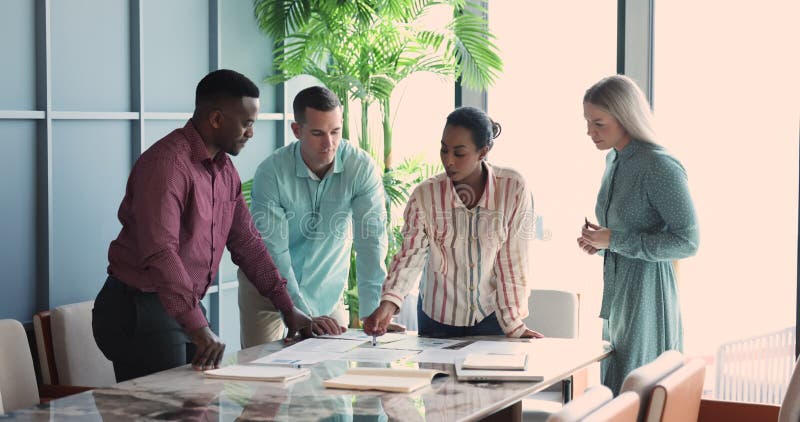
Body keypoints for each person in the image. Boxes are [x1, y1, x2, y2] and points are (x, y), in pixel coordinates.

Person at [92, 69, 313, 382]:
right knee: (168, 409)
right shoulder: (167, 166)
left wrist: (286, 307)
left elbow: (248, 244)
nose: (251, 133)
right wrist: (198, 326)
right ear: (216, 119)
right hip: (139, 306)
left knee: (199, 403)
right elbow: (160, 253)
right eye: (247, 123)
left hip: (178, 305)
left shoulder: (226, 171)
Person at [363, 106, 543, 339]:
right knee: (437, 377)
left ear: (482, 152)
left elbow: (512, 260)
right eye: (443, 150)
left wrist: (514, 326)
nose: (448, 160)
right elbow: (410, 257)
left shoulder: (512, 188)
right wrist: (387, 305)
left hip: (492, 317)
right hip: (437, 320)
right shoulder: (425, 195)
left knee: (493, 376)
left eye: (459, 153)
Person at [238, 85, 391, 348]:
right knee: (265, 374)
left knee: (330, 377)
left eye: (336, 132)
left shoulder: (361, 168)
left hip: (326, 294)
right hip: (268, 293)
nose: (329, 143)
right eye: (318, 133)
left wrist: (371, 312)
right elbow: (275, 252)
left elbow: (371, 241)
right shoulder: (271, 173)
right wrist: (299, 312)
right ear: (297, 131)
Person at [577, 75, 699, 394]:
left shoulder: (659, 166)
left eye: (598, 123)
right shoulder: (613, 159)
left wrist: (614, 240)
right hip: (618, 297)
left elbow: (688, 242)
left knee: (636, 391)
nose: (590, 132)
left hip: (648, 294)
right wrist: (600, 243)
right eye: (588, 122)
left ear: (625, 117)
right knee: (618, 386)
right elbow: (624, 231)